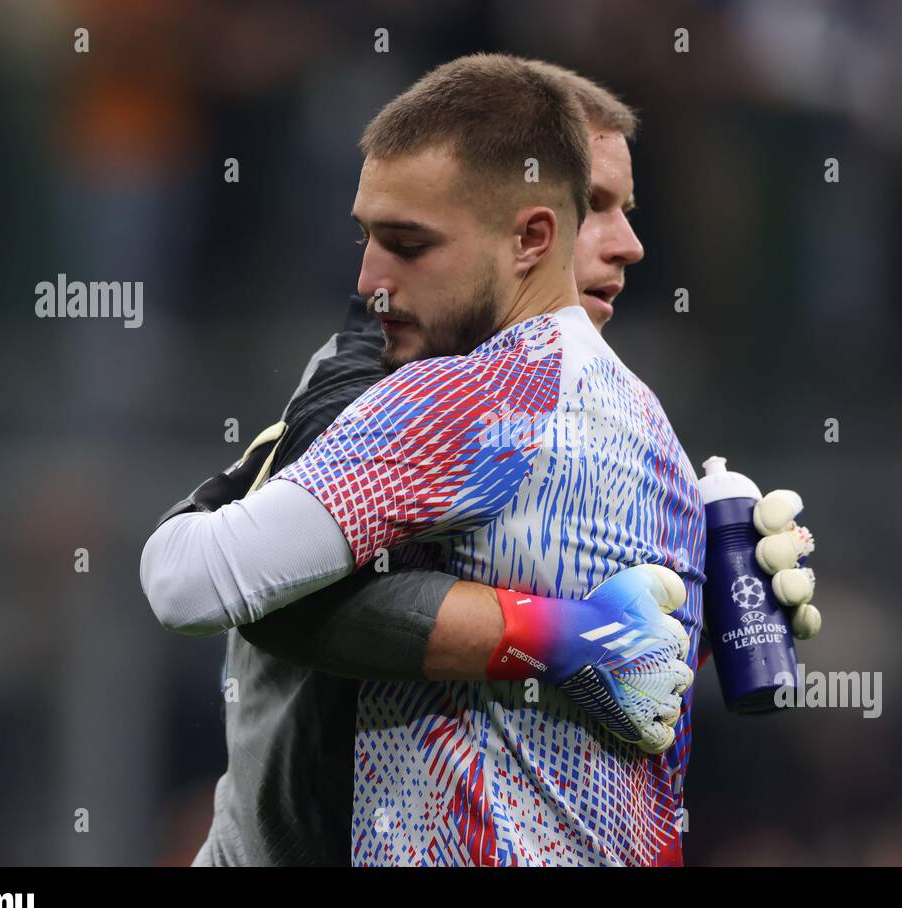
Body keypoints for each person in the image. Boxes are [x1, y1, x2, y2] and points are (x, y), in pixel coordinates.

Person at [145, 55, 819, 866]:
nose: (626, 243)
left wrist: (697, 610)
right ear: (536, 228)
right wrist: (567, 632)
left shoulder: (630, 422)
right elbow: (273, 604)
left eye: (619, 207)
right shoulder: (378, 379)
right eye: (594, 204)